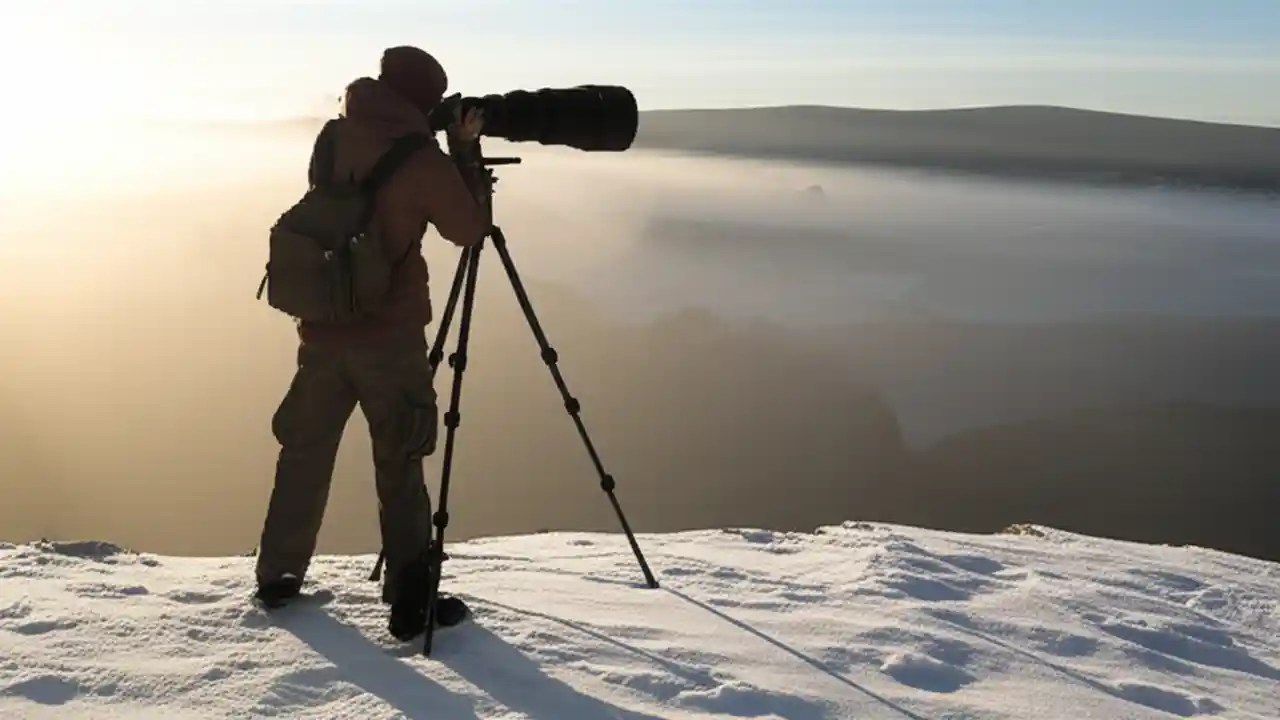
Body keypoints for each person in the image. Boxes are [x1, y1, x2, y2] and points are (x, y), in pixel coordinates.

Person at [253, 46, 490, 641]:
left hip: (325, 327)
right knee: (401, 459)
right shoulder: (422, 161)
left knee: (304, 450)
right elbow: (469, 230)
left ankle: (279, 575)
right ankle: (411, 603)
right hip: (390, 339)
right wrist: (463, 154)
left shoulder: (335, 136)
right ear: (426, 102)